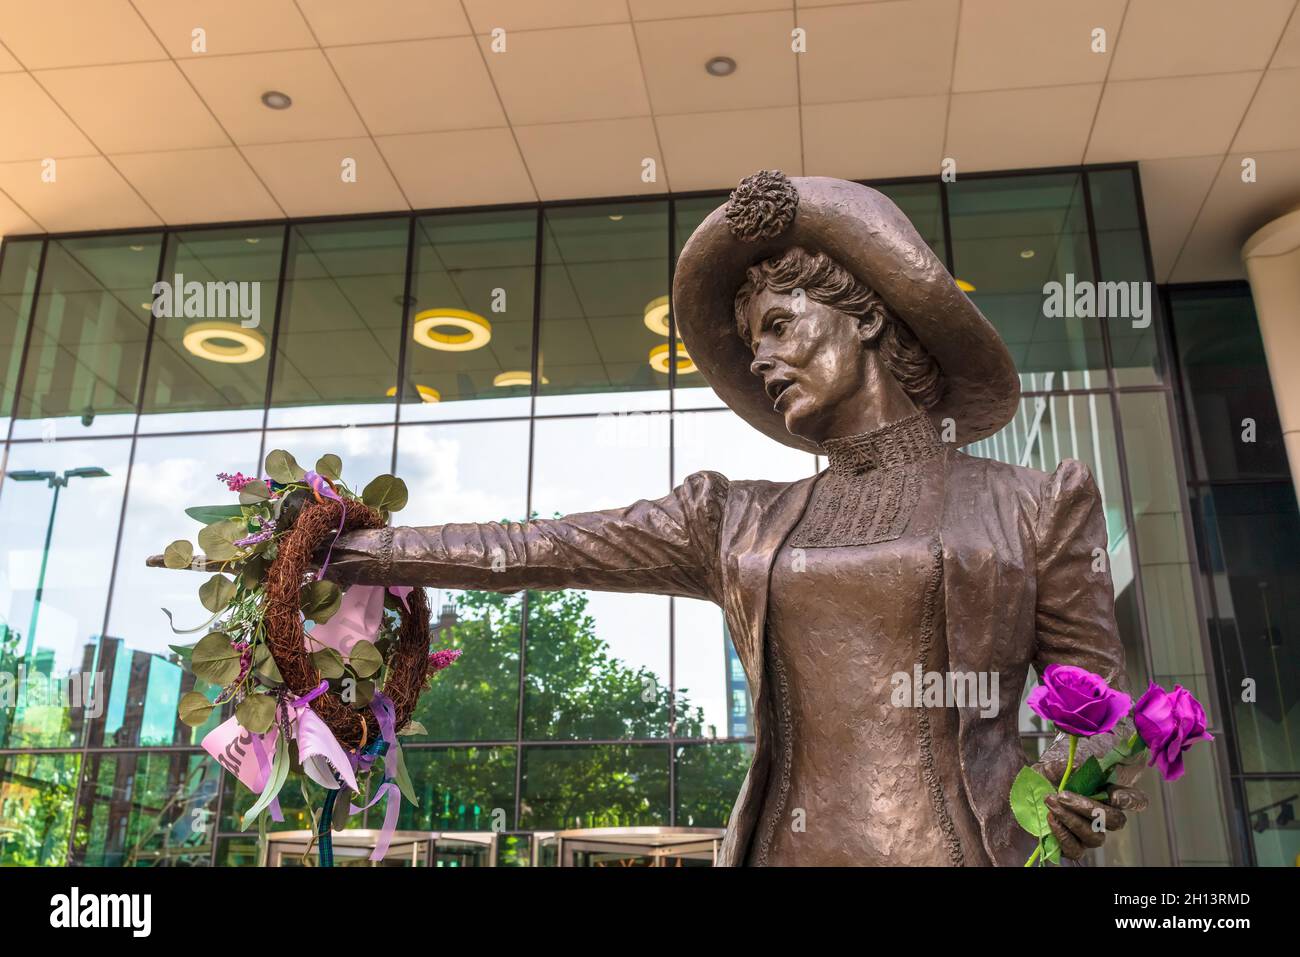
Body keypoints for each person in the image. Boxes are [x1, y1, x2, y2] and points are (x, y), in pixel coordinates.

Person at [326, 171, 1148, 866]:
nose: (762, 359)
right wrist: (348, 550)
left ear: (866, 317)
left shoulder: (1035, 504)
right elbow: (534, 546)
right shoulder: (732, 518)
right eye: (754, 343)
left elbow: (1105, 708)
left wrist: (1085, 790)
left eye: (781, 325)